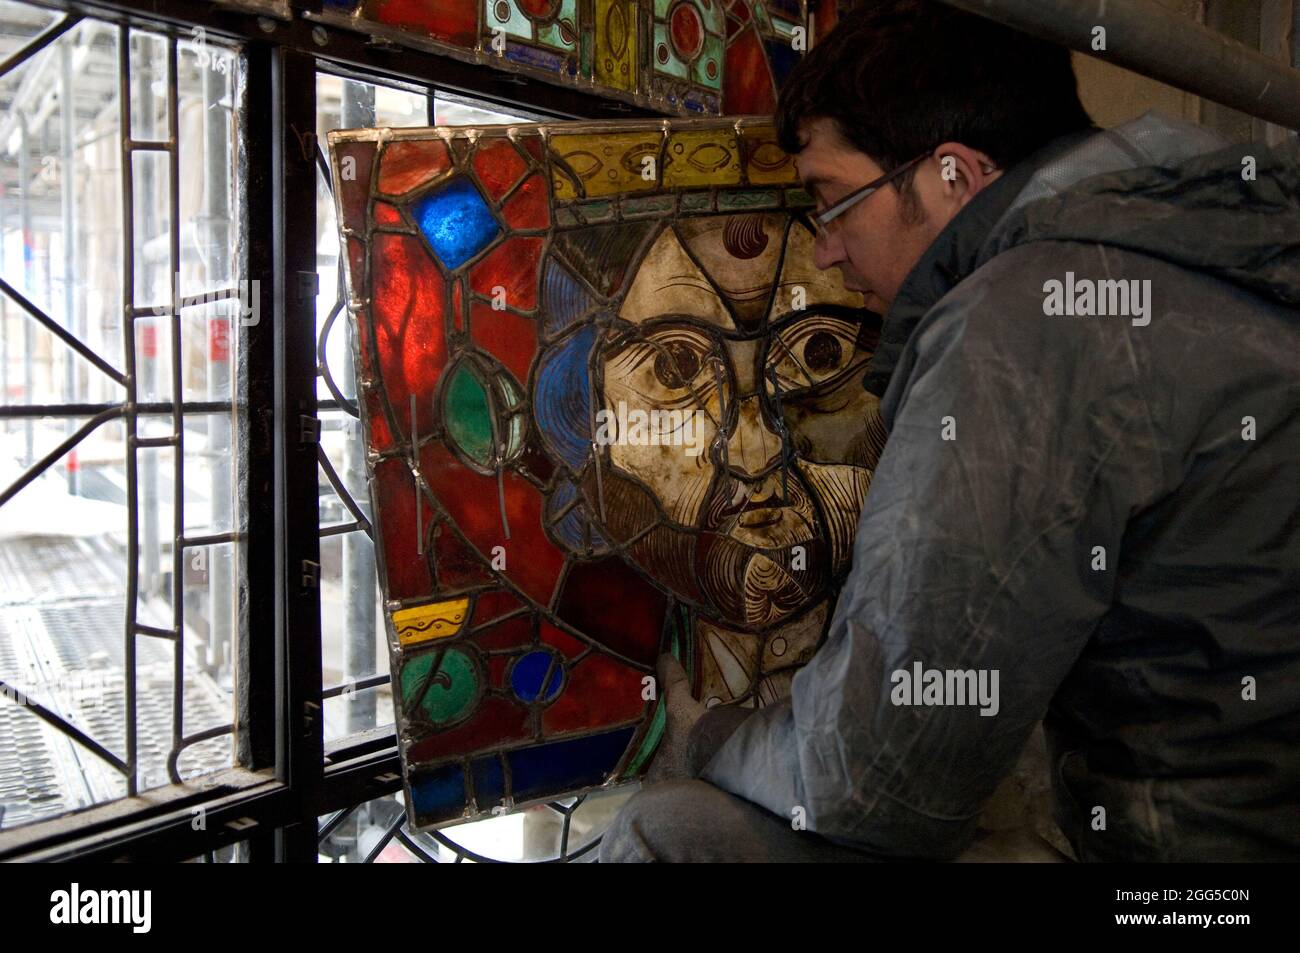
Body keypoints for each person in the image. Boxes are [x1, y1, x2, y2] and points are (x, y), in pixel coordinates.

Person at [599, 0, 1300, 862]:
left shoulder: (1029, 315)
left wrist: (708, 737)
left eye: (831, 199)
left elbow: (877, 775)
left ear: (953, 177)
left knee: (666, 834)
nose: (825, 252)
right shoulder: (1220, 248)